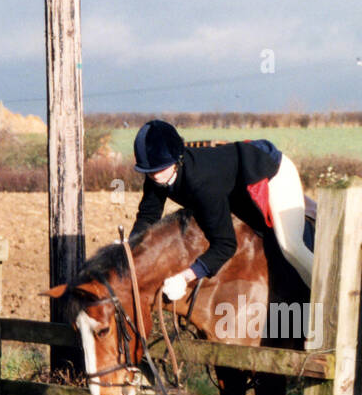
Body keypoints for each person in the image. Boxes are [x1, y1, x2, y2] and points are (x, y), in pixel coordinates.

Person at [128, 119, 313, 301]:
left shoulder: (201, 183)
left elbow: (225, 244)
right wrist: (128, 248)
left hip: (270, 171)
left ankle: (328, 295)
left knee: (290, 245)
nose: (156, 175)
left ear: (177, 159)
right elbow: (148, 216)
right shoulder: (156, 175)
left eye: (160, 169)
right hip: (237, 186)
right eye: (149, 171)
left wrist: (185, 277)